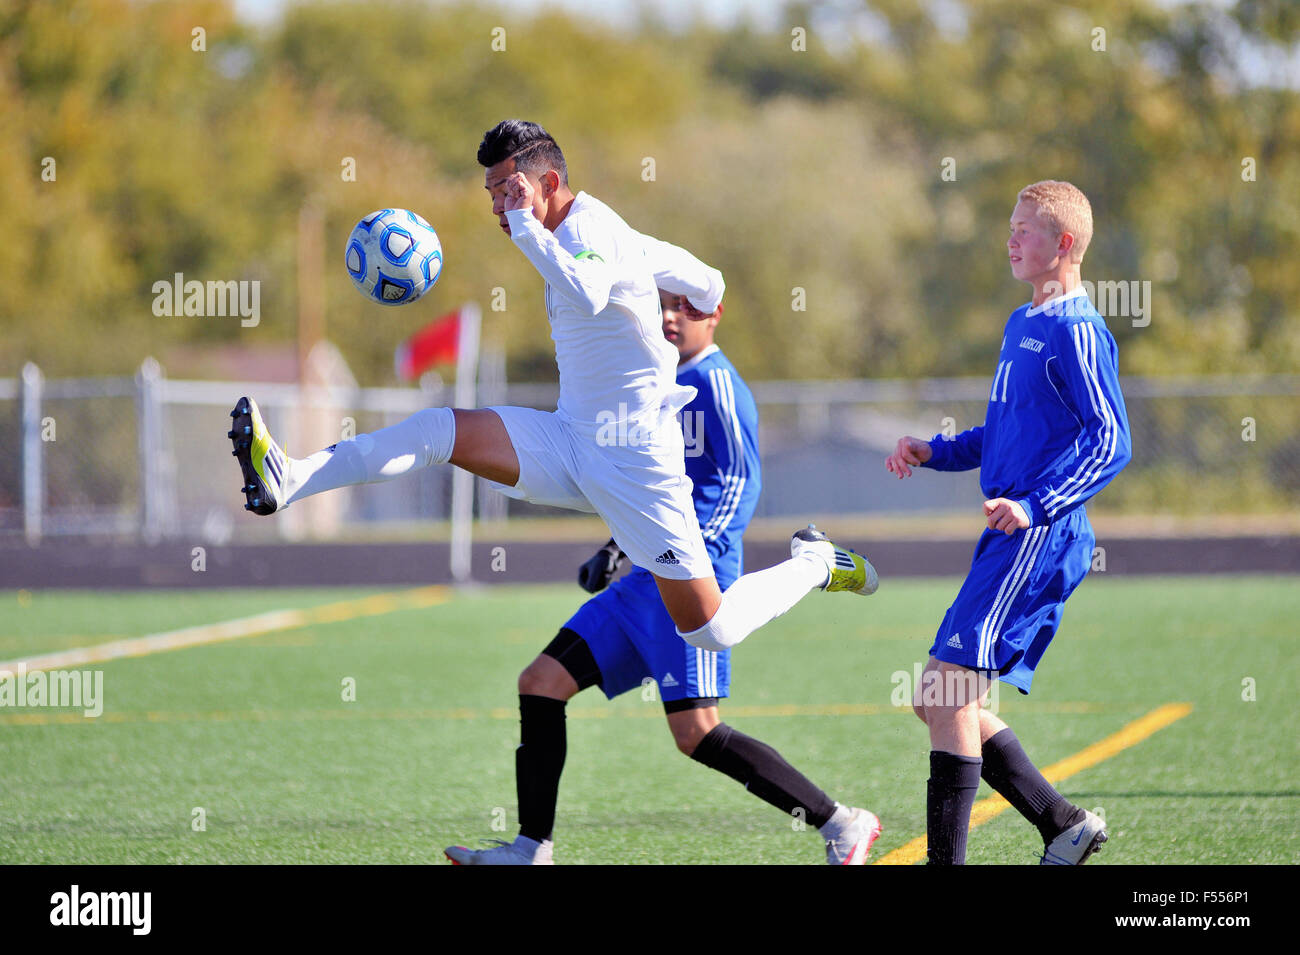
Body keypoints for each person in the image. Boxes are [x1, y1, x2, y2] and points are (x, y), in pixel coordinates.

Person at [228, 119, 877, 657]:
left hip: (636, 459)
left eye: (510, 190)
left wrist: (535, 233)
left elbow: (588, 285)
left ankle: (815, 563)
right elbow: (701, 276)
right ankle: (288, 477)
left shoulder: (587, 233)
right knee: (439, 431)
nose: (500, 209)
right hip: (570, 439)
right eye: (492, 195)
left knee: (710, 630)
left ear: (551, 183)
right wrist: (704, 290)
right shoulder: (594, 232)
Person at [444, 290, 882, 864]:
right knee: (540, 682)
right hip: (641, 581)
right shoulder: (656, 383)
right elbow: (648, 487)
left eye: (688, 307)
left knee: (697, 733)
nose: (672, 317)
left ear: (716, 314)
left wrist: (687, 566)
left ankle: (841, 824)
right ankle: (531, 849)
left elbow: (734, 491)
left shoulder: (719, 388)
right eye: (665, 305)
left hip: (692, 586)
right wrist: (615, 547)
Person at [886, 180, 1131, 865]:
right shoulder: (1022, 320)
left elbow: (1111, 439)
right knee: (937, 696)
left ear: (1066, 244)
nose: (1011, 238)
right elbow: (1005, 430)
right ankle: (1062, 823)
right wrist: (935, 452)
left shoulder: (1078, 328)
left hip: (1037, 536)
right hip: (1011, 534)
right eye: (1011, 226)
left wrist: (1035, 504)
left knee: (945, 690)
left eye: (1026, 229)